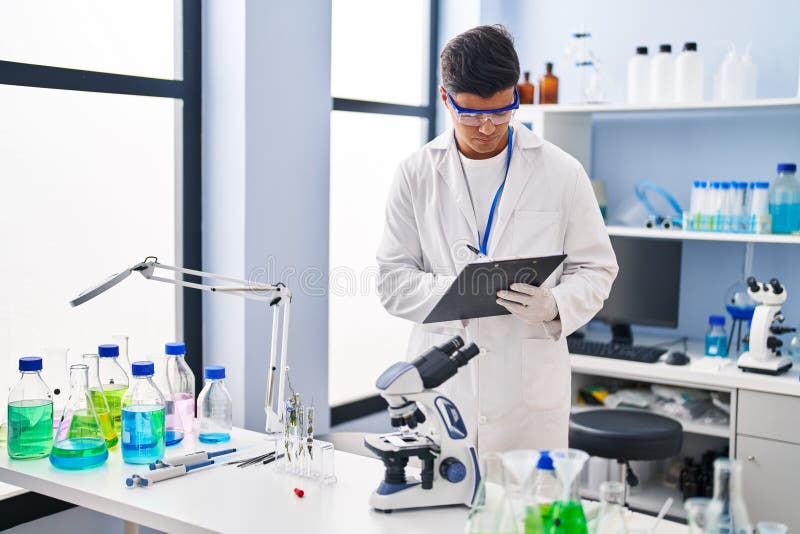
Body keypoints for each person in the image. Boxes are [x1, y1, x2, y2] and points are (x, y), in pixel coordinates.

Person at [376, 25, 618, 452]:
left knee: (527, 514)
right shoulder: (415, 174)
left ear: (515, 96)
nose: (486, 127)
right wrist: (458, 291)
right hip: (444, 383)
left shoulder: (562, 172)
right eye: (470, 113)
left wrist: (556, 305)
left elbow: (596, 268)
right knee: (441, 510)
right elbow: (392, 280)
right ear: (444, 97)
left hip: (528, 393)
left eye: (501, 111)